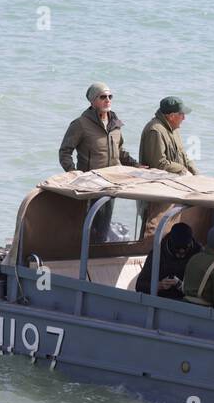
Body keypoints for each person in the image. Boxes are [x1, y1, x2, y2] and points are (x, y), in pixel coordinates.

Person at [58, 82, 139, 242]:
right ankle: (84, 259)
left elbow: (120, 151)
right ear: (92, 101)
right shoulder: (80, 124)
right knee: (89, 228)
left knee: (104, 227)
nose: (107, 100)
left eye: (110, 96)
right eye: (103, 97)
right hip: (91, 186)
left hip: (113, 184)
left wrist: (136, 165)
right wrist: (73, 172)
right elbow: (65, 151)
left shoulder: (115, 124)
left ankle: (99, 255)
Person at [139, 96, 197, 240]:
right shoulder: (156, 131)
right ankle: (149, 257)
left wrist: (196, 175)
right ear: (171, 116)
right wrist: (183, 171)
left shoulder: (174, 129)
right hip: (158, 190)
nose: (184, 118)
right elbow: (159, 163)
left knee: (169, 228)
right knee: (154, 226)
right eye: (181, 114)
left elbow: (184, 156)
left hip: (173, 187)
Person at [133, 222, 198, 300]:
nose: (181, 253)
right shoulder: (158, 253)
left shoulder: (198, 254)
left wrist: (181, 286)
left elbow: (204, 291)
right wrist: (159, 285)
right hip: (162, 300)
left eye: (185, 249)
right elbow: (140, 286)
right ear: (170, 243)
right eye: (177, 249)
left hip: (187, 302)